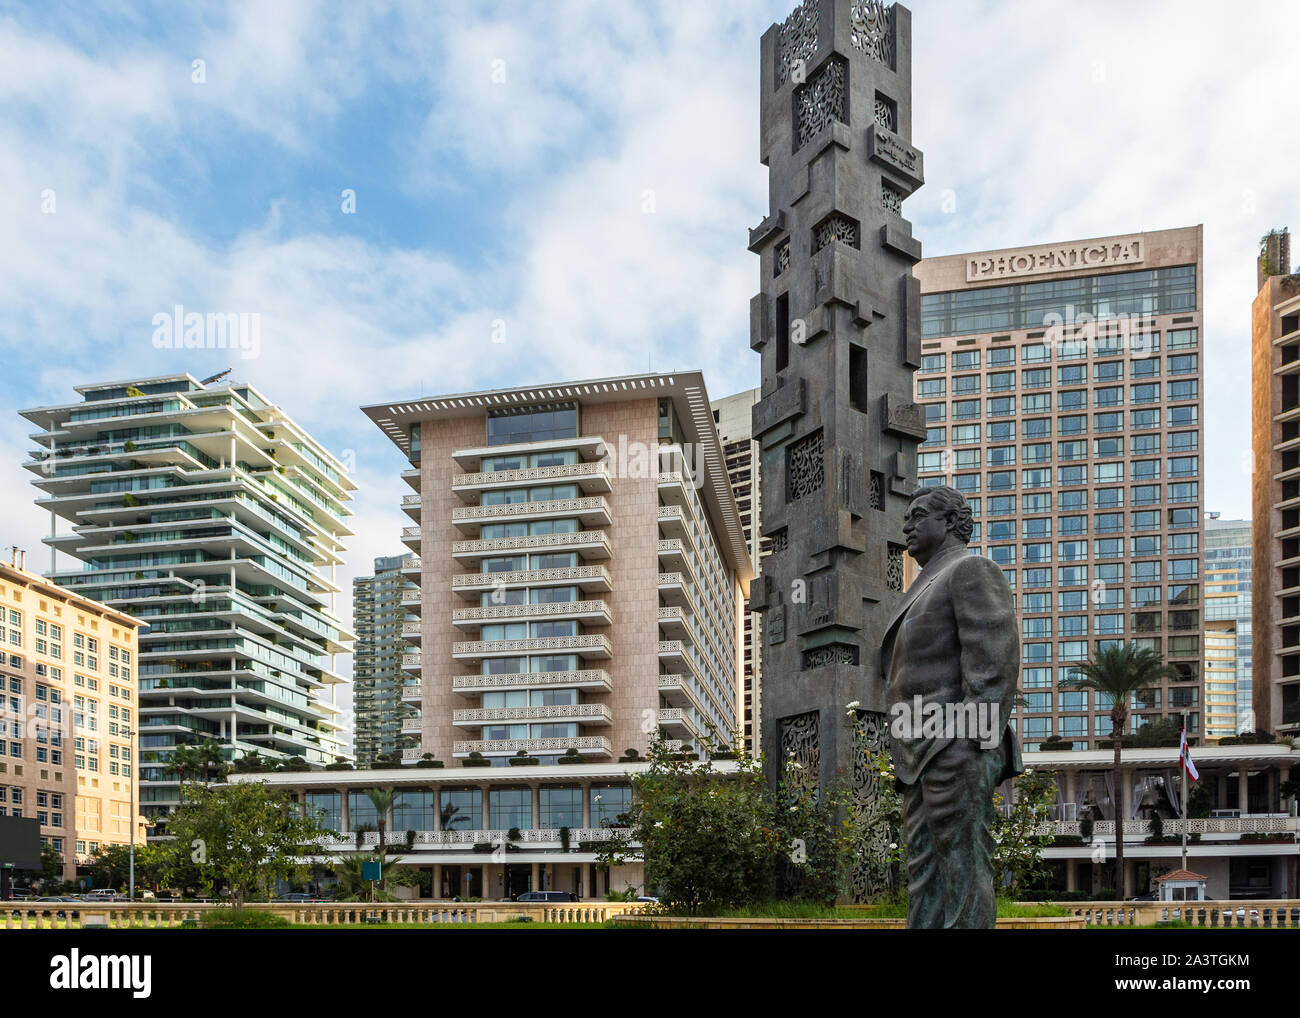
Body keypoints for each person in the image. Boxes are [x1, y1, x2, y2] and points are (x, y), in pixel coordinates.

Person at [880, 485, 1021, 929]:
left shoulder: (970, 570)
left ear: (950, 523)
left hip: (953, 748)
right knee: (924, 871)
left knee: (963, 866)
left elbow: (993, 665)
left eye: (919, 516)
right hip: (918, 754)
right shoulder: (926, 582)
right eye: (907, 517)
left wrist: (967, 745)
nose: (908, 525)